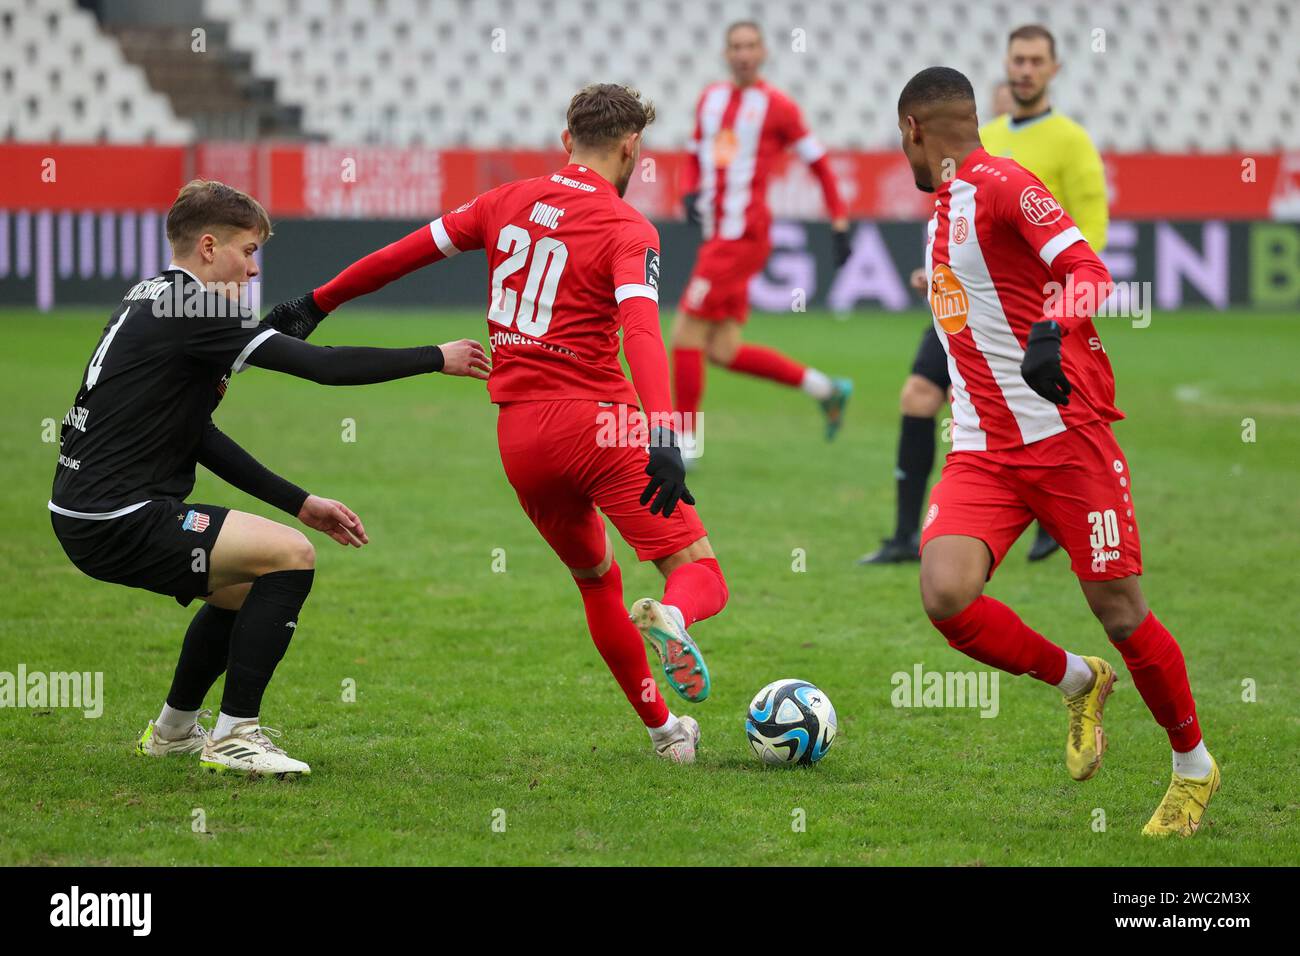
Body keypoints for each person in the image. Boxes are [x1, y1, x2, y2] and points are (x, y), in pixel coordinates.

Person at [265, 85, 729, 764]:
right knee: (698, 570)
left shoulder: (502, 202)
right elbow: (640, 330)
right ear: (632, 148)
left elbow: (404, 254)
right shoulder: (629, 228)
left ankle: (665, 736)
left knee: (597, 580)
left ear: (566, 139)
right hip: (603, 424)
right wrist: (662, 431)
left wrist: (315, 302)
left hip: (520, 435)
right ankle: (675, 617)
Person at [48, 179, 490, 777]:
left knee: (244, 586)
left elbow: (195, 433)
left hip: (88, 511)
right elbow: (323, 368)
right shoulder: (195, 307)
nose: (255, 269)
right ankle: (235, 736)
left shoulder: (155, 295)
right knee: (290, 556)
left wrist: (300, 500)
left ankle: (174, 731)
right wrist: (435, 356)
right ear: (208, 247)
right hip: (116, 516)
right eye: (248, 251)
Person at [897, 66, 1218, 836]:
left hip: (1065, 442)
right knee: (945, 592)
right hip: (982, 450)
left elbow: (1088, 270)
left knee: (1120, 610)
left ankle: (1193, 766)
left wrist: (1051, 329)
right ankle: (1079, 681)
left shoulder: (1006, 185)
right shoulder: (941, 213)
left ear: (912, 129)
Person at [862, 25, 1109, 565]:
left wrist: (1052, 301)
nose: (1024, 69)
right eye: (1016, 58)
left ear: (1053, 68)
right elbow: (966, 220)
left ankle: (1052, 518)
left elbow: (1085, 239)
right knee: (919, 398)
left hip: (1032, 311)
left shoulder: (1070, 141)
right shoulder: (979, 131)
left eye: (1035, 60)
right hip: (966, 305)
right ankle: (907, 533)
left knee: (1029, 415)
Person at [671, 20, 854, 461]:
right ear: (726, 53)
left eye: (751, 46)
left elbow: (821, 165)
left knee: (684, 332)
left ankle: (683, 443)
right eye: (735, 46)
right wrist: (690, 190)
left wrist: (839, 221)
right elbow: (696, 157)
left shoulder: (778, 107)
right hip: (718, 234)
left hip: (743, 235)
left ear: (764, 52)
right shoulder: (710, 100)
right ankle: (825, 388)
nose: (743, 53)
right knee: (722, 350)